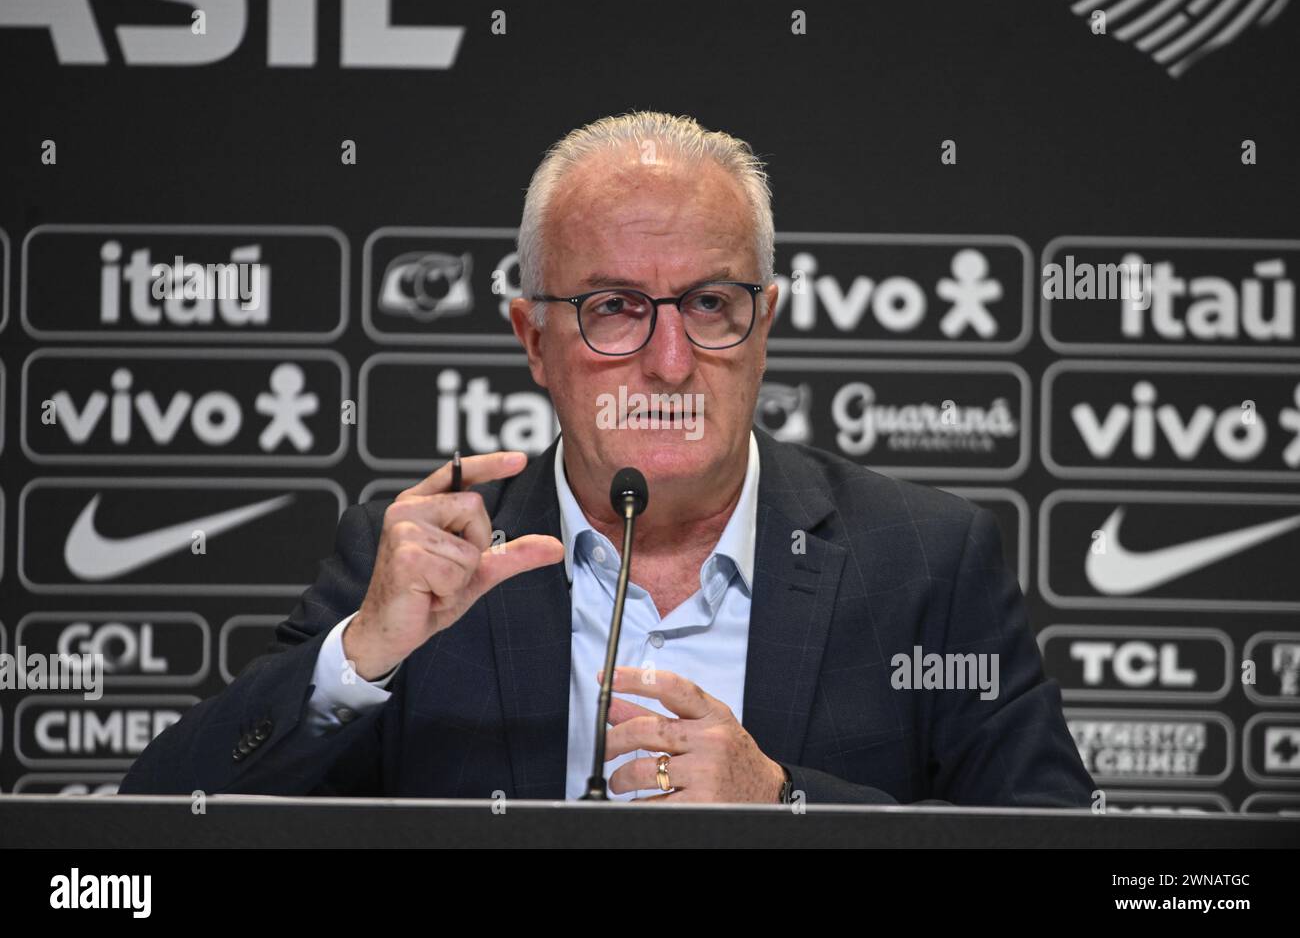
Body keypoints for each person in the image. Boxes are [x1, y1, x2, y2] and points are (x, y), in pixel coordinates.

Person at [120, 111, 1094, 806]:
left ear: (765, 327)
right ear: (531, 337)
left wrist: (788, 805)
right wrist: (356, 658)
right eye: (614, 307)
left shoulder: (927, 559)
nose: (669, 361)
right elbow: (143, 836)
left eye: (711, 304)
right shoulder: (420, 556)